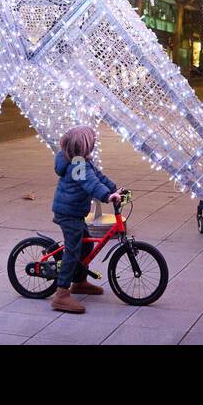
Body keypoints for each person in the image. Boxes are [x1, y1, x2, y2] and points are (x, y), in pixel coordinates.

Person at [50, 125, 122, 315]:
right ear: (85, 146)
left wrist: (114, 189)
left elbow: (98, 177)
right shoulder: (78, 166)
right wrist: (107, 196)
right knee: (73, 250)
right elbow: (91, 184)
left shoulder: (82, 162)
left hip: (75, 212)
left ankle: (79, 282)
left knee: (86, 245)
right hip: (68, 213)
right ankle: (61, 294)